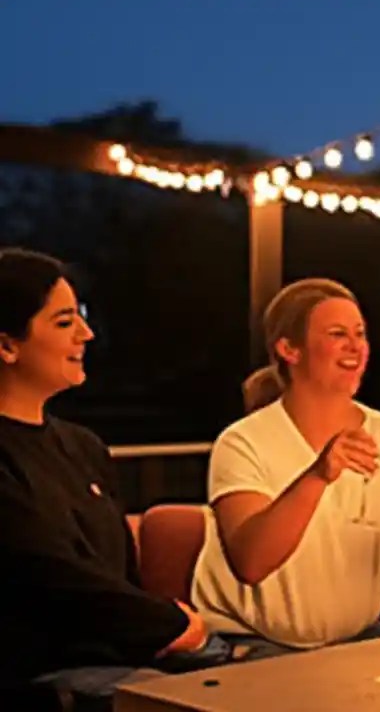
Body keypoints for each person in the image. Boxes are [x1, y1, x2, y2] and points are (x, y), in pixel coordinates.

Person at [191, 279, 380, 656]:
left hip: (360, 639)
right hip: (251, 645)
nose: (355, 346)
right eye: (337, 334)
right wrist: (318, 476)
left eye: (360, 334)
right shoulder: (244, 442)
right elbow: (252, 561)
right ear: (289, 349)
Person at [0, 249, 209, 710]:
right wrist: (167, 623)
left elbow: (116, 573)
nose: (86, 334)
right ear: (7, 345)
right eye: (63, 322)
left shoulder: (83, 447)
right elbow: (48, 577)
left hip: (119, 651)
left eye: (83, 318)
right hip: (35, 670)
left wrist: (161, 627)